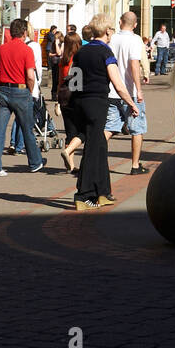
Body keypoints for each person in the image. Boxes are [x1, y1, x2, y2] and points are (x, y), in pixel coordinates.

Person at [68, 13, 137, 210]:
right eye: (112, 29)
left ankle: (103, 192)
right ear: (107, 31)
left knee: (99, 147)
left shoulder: (81, 52)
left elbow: (73, 81)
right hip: (97, 103)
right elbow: (118, 84)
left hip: (81, 102)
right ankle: (84, 195)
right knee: (92, 149)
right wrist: (131, 103)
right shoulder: (106, 53)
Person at [0, 18, 46, 176]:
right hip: (21, 91)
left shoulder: (3, 49)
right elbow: (30, 76)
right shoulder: (27, 50)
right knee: (27, 128)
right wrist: (30, 90)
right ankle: (35, 162)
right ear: (25, 32)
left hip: (3, 90)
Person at [105, 11, 149, 175]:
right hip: (129, 91)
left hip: (112, 90)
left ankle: (96, 157)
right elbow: (134, 64)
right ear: (135, 25)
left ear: (120, 22)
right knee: (137, 128)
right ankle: (135, 165)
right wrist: (138, 89)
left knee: (109, 127)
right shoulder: (135, 39)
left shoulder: (112, 39)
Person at [58, 30, 84, 173]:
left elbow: (60, 82)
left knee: (70, 131)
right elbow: (78, 83)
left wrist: (57, 101)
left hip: (63, 97)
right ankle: (68, 151)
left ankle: (71, 165)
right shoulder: (78, 59)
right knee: (82, 131)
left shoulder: (63, 60)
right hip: (75, 97)